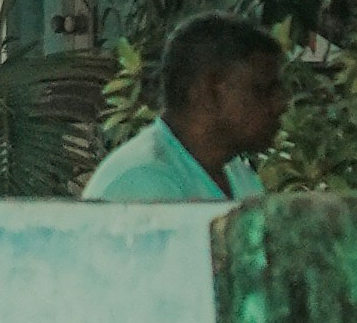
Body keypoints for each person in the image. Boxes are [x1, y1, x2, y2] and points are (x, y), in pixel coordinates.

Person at [86, 10, 285, 202]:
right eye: (263, 90)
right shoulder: (144, 180)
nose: (280, 105)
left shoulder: (237, 175)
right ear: (210, 90)